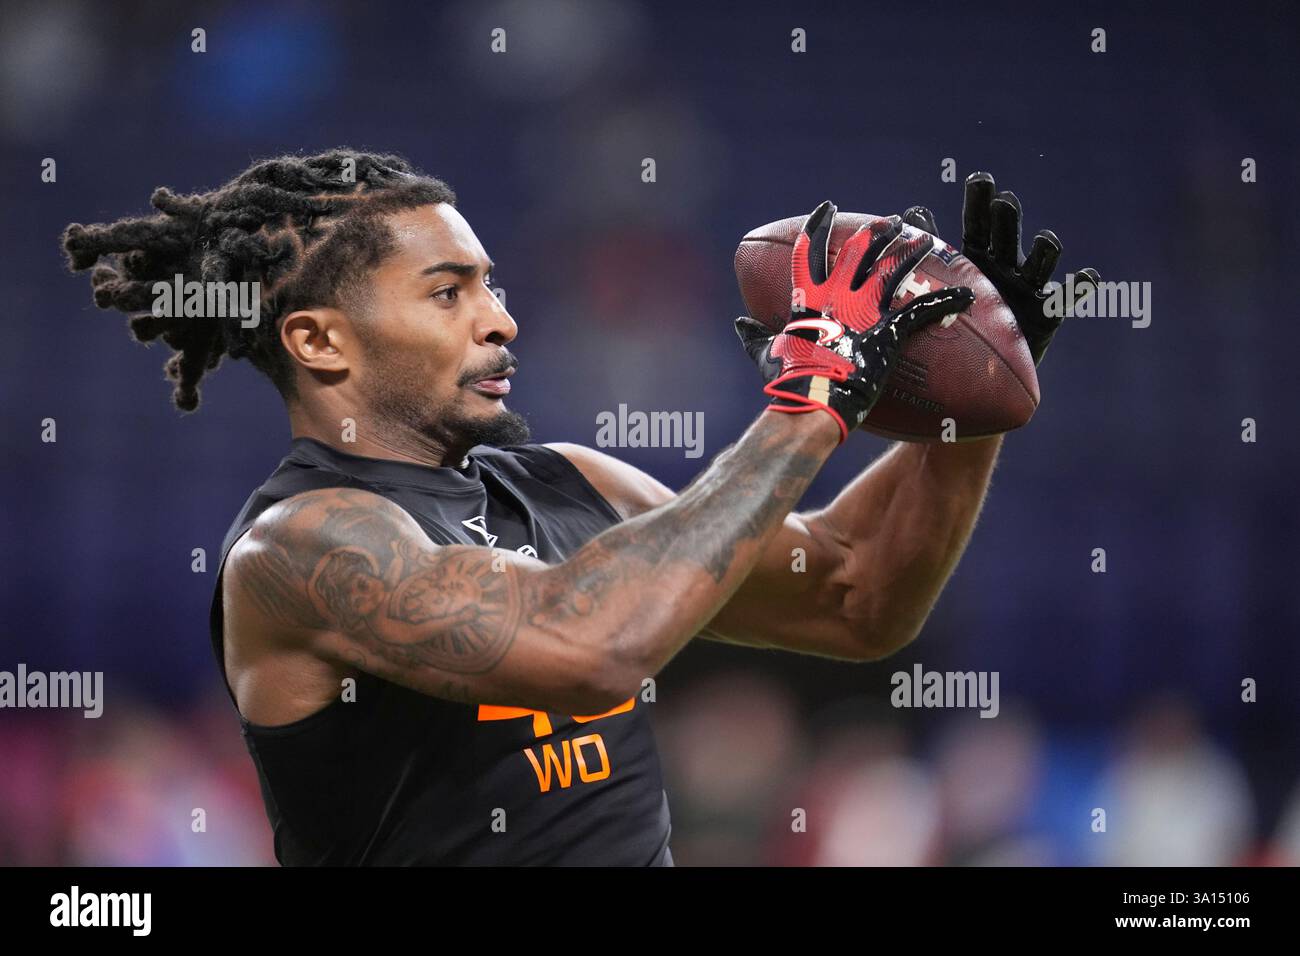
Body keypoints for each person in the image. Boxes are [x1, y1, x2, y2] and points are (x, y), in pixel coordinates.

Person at [61, 150, 1096, 865]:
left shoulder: (571, 481)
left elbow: (854, 595)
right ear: (319, 341)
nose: (500, 319)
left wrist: (969, 401)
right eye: (448, 292)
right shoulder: (300, 546)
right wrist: (811, 400)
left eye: (492, 285)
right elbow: (591, 642)